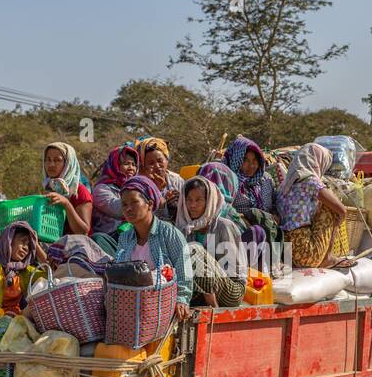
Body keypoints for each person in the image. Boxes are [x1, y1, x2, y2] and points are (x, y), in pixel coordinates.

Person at [114, 175, 194, 322]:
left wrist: (182, 300)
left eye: (134, 202)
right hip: (134, 309)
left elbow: (184, 271)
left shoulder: (169, 233)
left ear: (149, 204)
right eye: (124, 204)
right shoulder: (124, 238)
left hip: (163, 307)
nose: (128, 209)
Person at [176, 176, 247, 308]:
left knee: (193, 250)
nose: (192, 205)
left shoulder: (223, 226)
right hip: (203, 286)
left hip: (231, 289)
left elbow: (232, 270)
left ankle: (214, 309)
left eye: (199, 200)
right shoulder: (186, 227)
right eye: (189, 200)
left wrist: (205, 265)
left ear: (209, 201)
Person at [276, 143, 349, 268]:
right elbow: (342, 210)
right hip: (307, 252)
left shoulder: (284, 185)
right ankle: (328, 258)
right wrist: (336, 225)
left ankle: (324, 256)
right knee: (330, 208)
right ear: (318, 162)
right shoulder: (311, 182)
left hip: (287, 251)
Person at [0, 221, 47, 325]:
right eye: (23, 241)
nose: (26, 248)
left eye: (29, 245)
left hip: (16, 324)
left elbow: (53, 275)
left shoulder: (24, 272)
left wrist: (37, 246)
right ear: (9, 241)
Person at [41, 141, 93, 236]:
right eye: (48, 159)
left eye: (57, 160)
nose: (51, 164)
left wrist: (66, 204)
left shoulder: (79, 191)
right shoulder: (49, 188)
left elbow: (83, 232)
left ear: (68, 163)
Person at [91, 142, 141, 236]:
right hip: (109, 237)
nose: (131, 168)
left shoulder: (137, 186)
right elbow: (120, 209)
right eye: (126, 164)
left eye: (134, 164)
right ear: (115, 165)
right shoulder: (101, 189)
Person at [224, 136, 277, 216]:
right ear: (236, 159)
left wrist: (275, 215)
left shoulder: (266, 179)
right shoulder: (229, 182)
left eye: (255, 160)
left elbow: (274, 204)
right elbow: (225, 212)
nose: (251, 165)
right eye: (245, 160)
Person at [138, 137, 185, 224]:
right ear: (144, 165)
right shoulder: (140, 185)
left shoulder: (177, 180)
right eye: (151, 163)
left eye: (160, 161)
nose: (157, 166)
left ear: (166, 160)